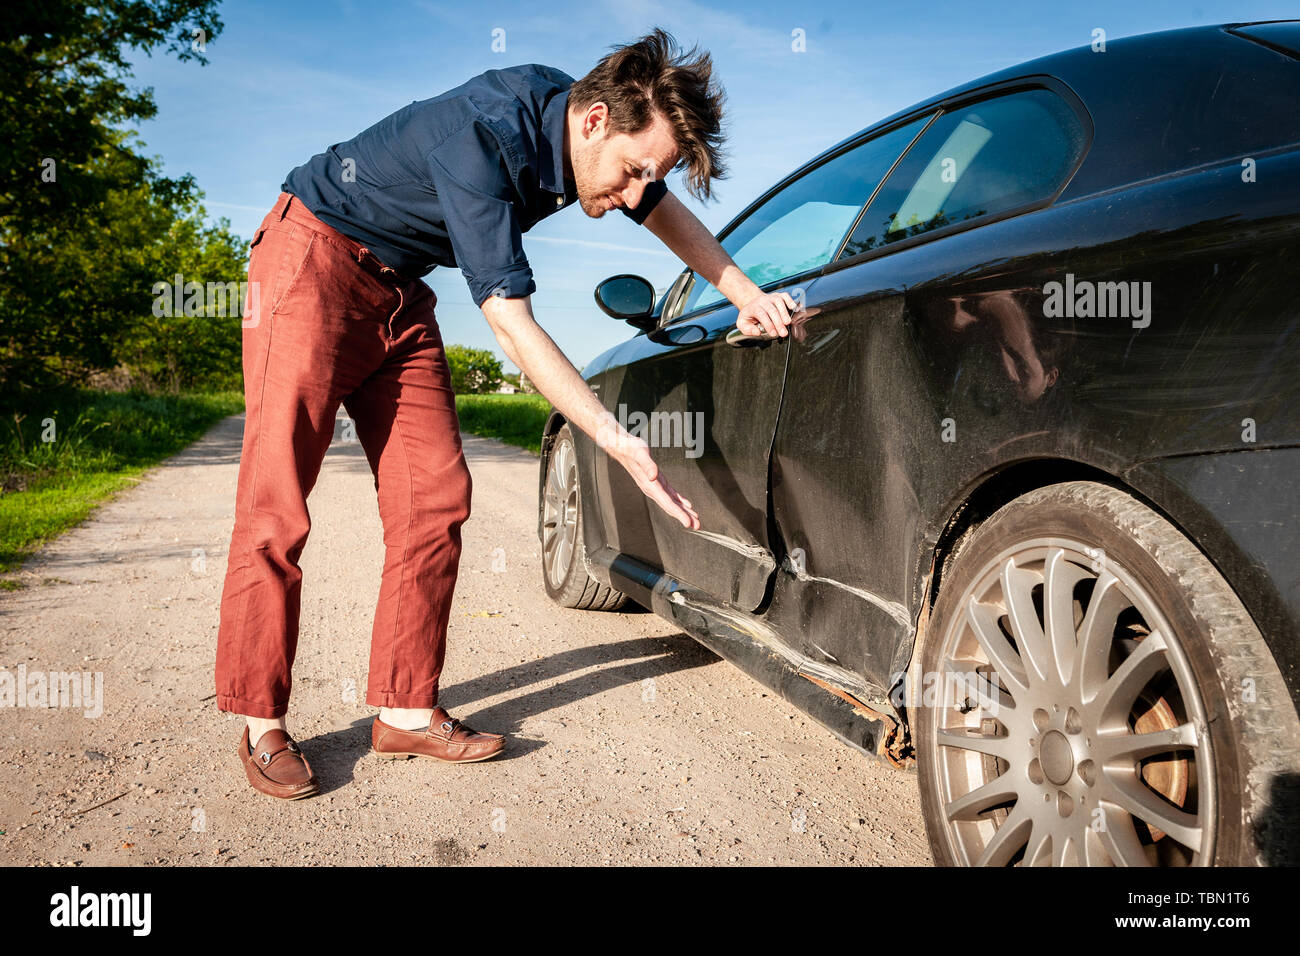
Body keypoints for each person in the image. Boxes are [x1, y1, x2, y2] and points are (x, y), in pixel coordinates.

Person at [216, 28, 798, 799]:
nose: (631, 195)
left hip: (398, 290)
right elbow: (513, 326)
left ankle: (404, 706)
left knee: (436, 497)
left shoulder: (590, 125)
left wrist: (745, 294)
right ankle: (261, 722)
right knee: (278, 500)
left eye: (645, 177)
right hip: (313, 262)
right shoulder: (485, 140)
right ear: (593, 121)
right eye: (629, 172)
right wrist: (616, 440)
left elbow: (664, 214)